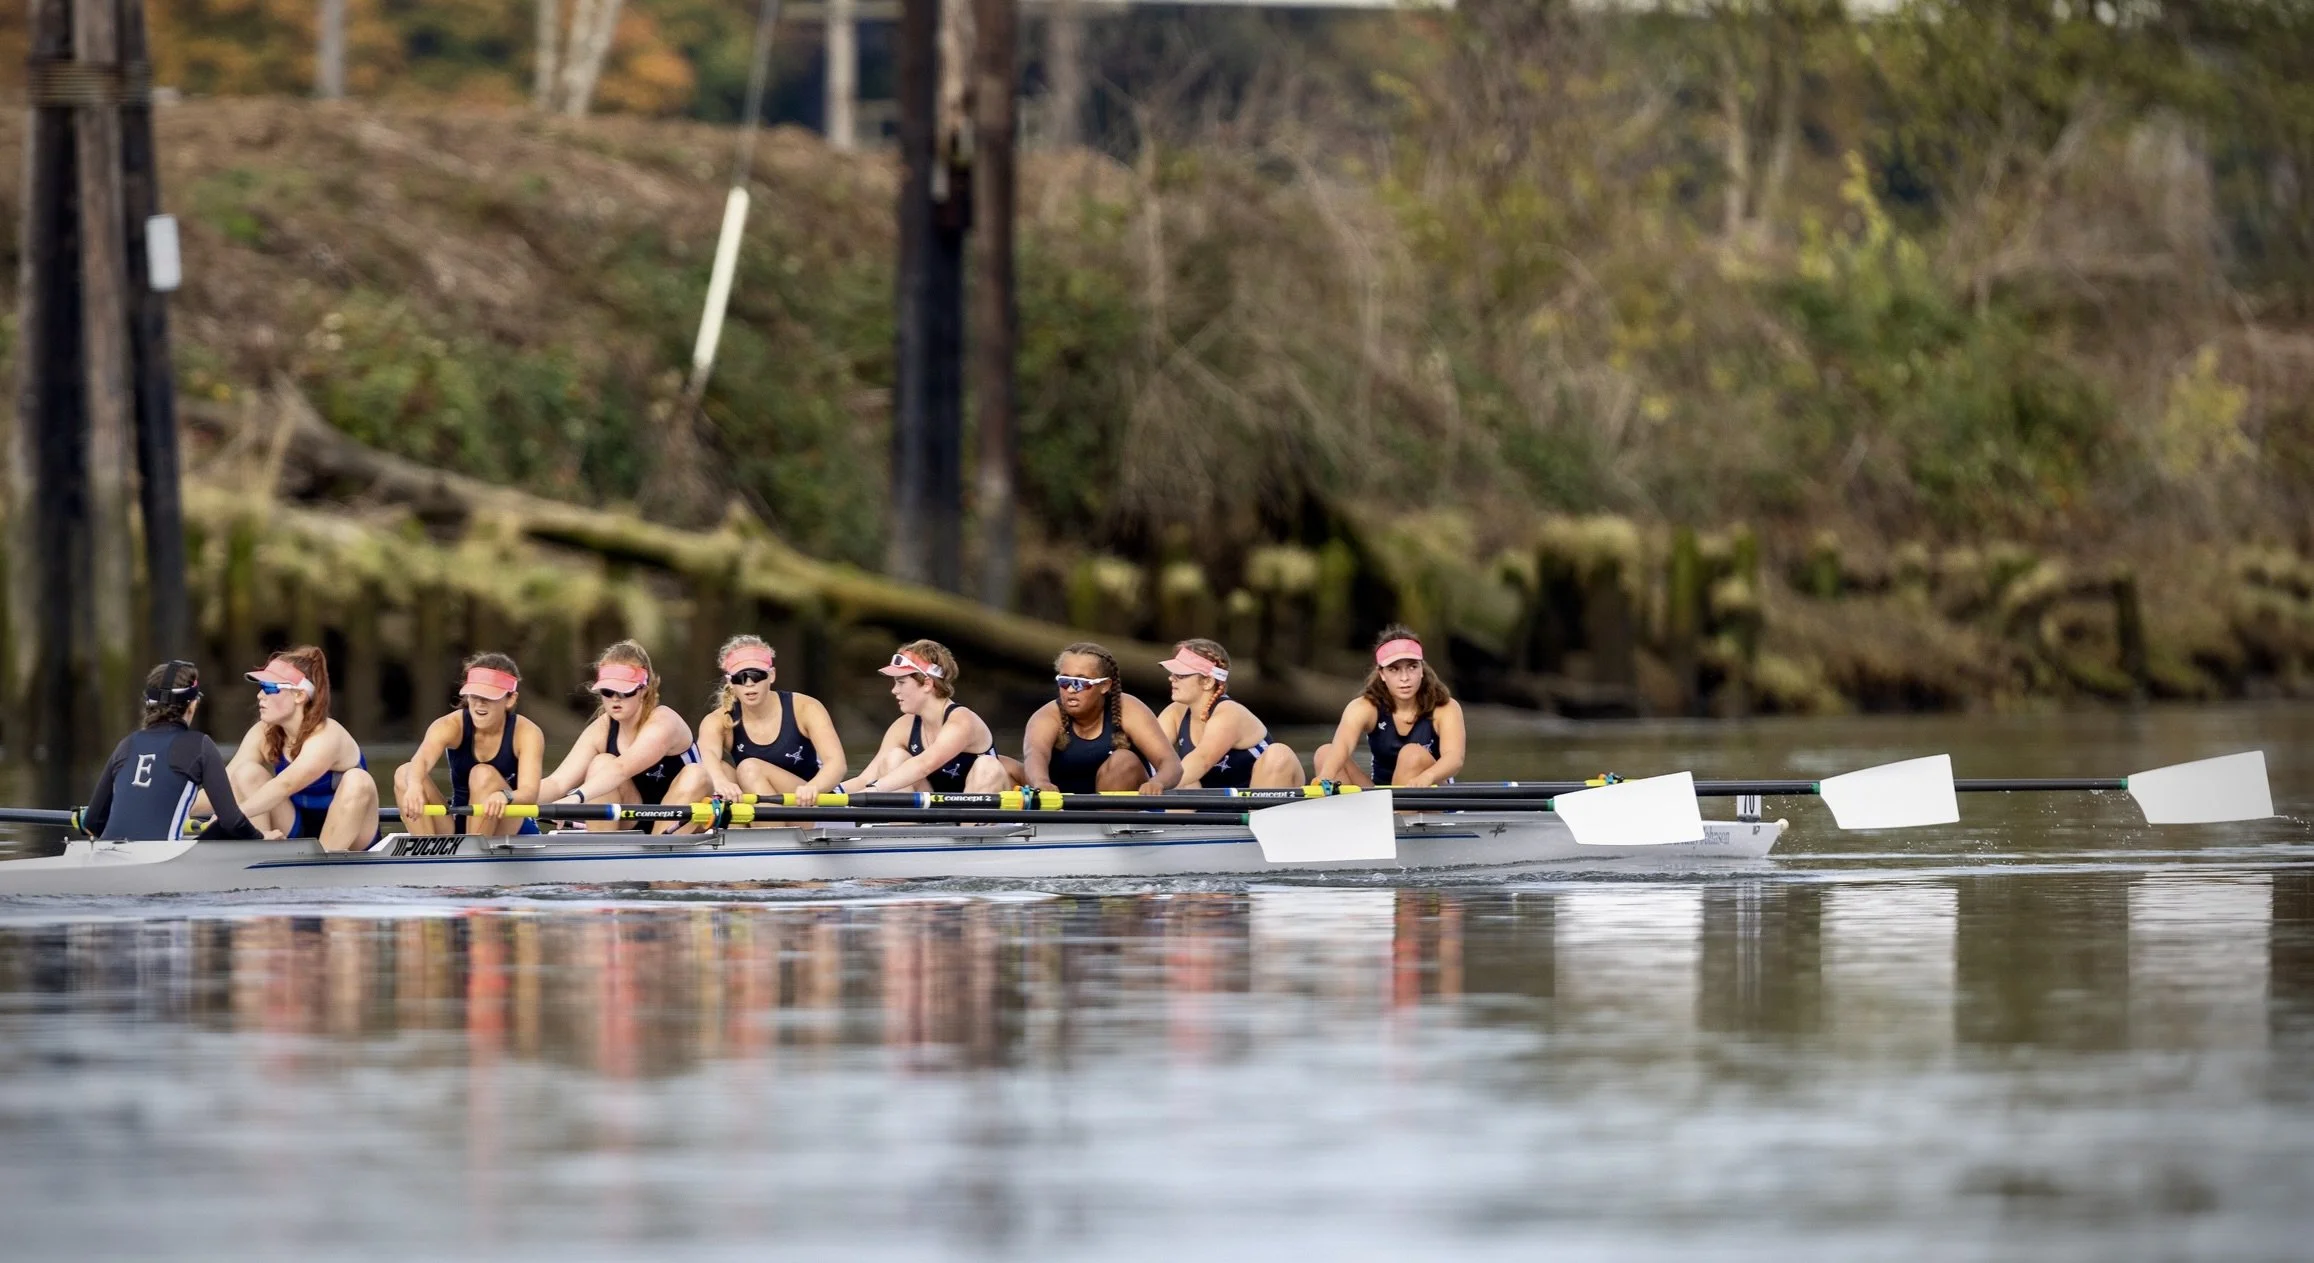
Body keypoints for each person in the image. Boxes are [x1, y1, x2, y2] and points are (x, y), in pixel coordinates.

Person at [82, 661, 277, 842]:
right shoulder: (199, 745)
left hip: (107, 852)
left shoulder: (126, 744)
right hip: (160, 860)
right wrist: (260, 837)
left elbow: (92, 822)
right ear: (192, 705)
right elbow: (231, 821)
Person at [667, 636, 847, 815]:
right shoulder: (718, 720)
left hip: (814, 803)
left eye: (756, 675)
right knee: (715, 770)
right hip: (763, 804)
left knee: (749, 768)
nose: (749, 683)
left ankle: (763, 835)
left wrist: (813, 787)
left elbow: (837, 764)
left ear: (772, 675)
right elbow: (707, 755)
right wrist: (721, 782)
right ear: (730, 682)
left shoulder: (806, 708)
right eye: (740, 678)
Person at [225, 646, 381, 851]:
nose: (260, 696)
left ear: (299, 695)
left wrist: (232, 816)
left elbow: (286, 784)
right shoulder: (263, 733)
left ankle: (321, 866)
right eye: (261, 686)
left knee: (358, 781)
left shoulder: (327, 736)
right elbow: (222, 787)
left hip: (353, 836)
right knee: (245, 773)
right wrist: (176, 806)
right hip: (296, 826)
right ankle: (258, 852)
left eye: (270, 688)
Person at [540, 640, 700, 830]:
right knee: (601, 763)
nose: (615, 699)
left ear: (643, 690)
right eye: (608, 691)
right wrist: (510, 798)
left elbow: (621, 768)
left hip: (683, 817)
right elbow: (557, 783)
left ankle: (658, 851)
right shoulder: (602, 729)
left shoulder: (664, 722)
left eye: (625, 691)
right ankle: (603, 852)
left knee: (696, 774)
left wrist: (575, 797)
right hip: (633, 816)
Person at [392, 653, 547, 838]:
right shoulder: (450, 725)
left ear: (510, 699)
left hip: (510, 825)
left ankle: (472, 856)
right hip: (459, 821)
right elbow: (422, 759)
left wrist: (505, 796)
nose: (479, 703)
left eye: (489, 696)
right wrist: (415, 785)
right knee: (406, 773)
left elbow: (529, 793)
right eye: (474, 695)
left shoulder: (527, 733)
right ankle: (426, 855)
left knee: (482, 774)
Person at [840, 640, 1012, 794]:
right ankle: (907, 829)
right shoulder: (904, 726)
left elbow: (924, 765)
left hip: (976, 812)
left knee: (988, 767)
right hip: (932, 813)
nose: (894, 690)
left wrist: (873, 791)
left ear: (927, 684)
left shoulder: (962, 721)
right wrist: (826, 792)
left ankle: (970, 829)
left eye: (901, 682)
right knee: (894, 759)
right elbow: (865, 779)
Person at [1313, 626, 1467, 787]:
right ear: (1382, 674)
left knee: (1411, 754)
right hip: (1379, 797)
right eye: (1394, 669)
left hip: (1429, 791)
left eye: (1412, 667)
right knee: (1325, 754)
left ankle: (1402, 809)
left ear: (1422, 670)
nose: (1405, 678)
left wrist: (1427, 777)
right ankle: (1368, 809)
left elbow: (1454, 758)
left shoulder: (1445, 707)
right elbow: (1342, 745)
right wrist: (1325, 777)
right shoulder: (1365, 707)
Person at [1020, 641, 1179, 795]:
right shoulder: (1047, 716)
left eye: (1080, 683)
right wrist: (1041, 783)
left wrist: (1157, 783)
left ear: (1105, 686)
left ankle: (1107, 821)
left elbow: (1171, 764)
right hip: (1061, 803)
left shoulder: (1129, 708)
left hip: (1119, 808)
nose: (1070, 690)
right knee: (1003, 767)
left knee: (1123, 759)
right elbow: (1035, 754)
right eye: (1064, 681)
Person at [1155, 639, 1305, 789]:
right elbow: (1150, 753)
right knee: (1180, 778)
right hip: (1213, 802)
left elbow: (1202, 760)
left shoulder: (1229, 714)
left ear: (1207, 681)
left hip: (1257, 801)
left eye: (1181, 675)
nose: (1171, 678)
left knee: (1278, 754)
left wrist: (1158, 783)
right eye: (1173, 673)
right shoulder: (1175, 712)